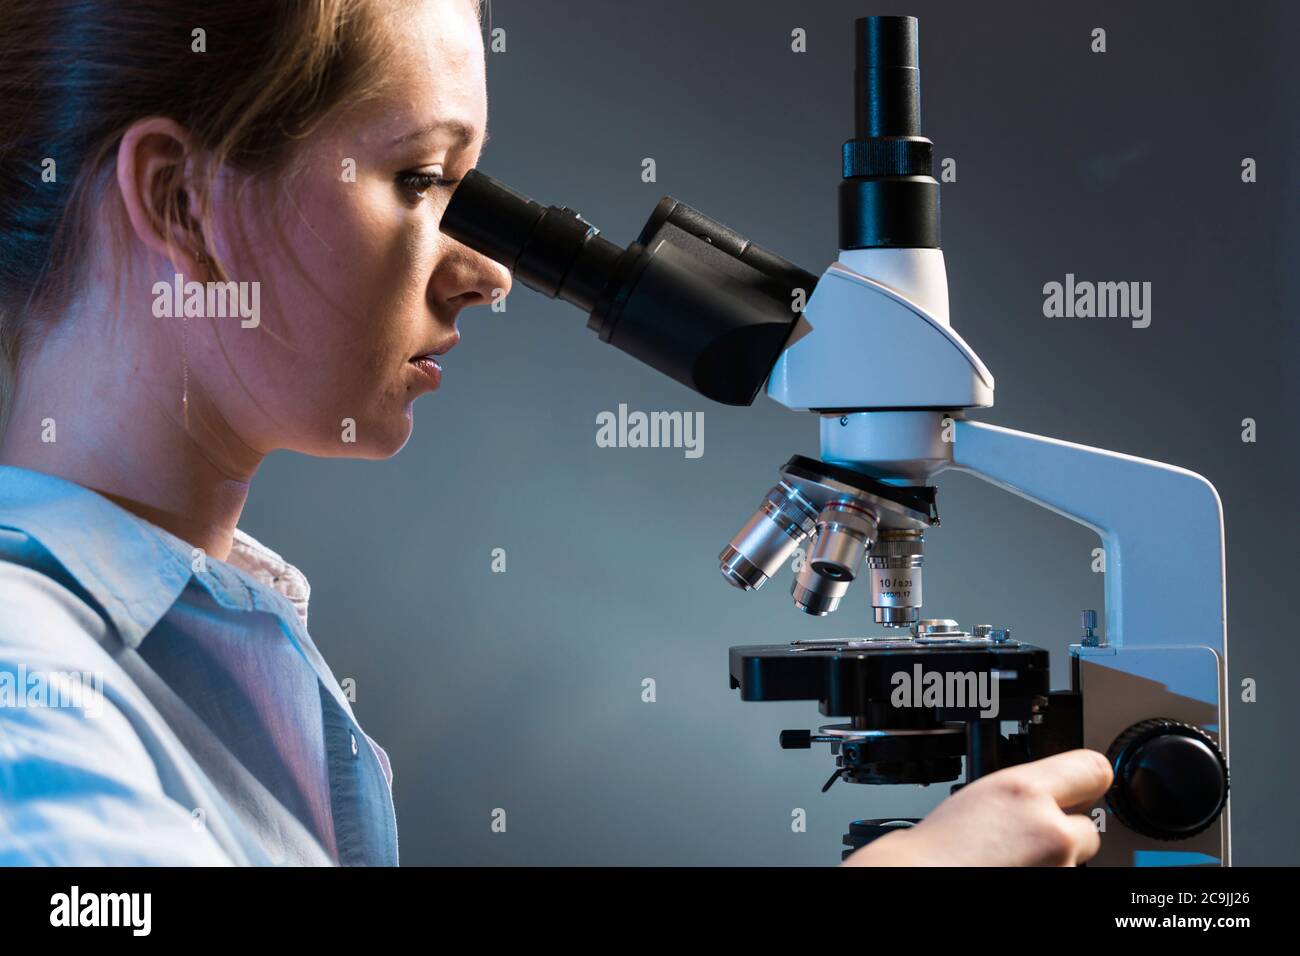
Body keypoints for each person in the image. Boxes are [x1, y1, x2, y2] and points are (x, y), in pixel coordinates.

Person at [0, 0, 1112, 866]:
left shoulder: (202, 646)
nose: (486, 273)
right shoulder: (30, 700)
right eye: (423, 180)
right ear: (180, 201)